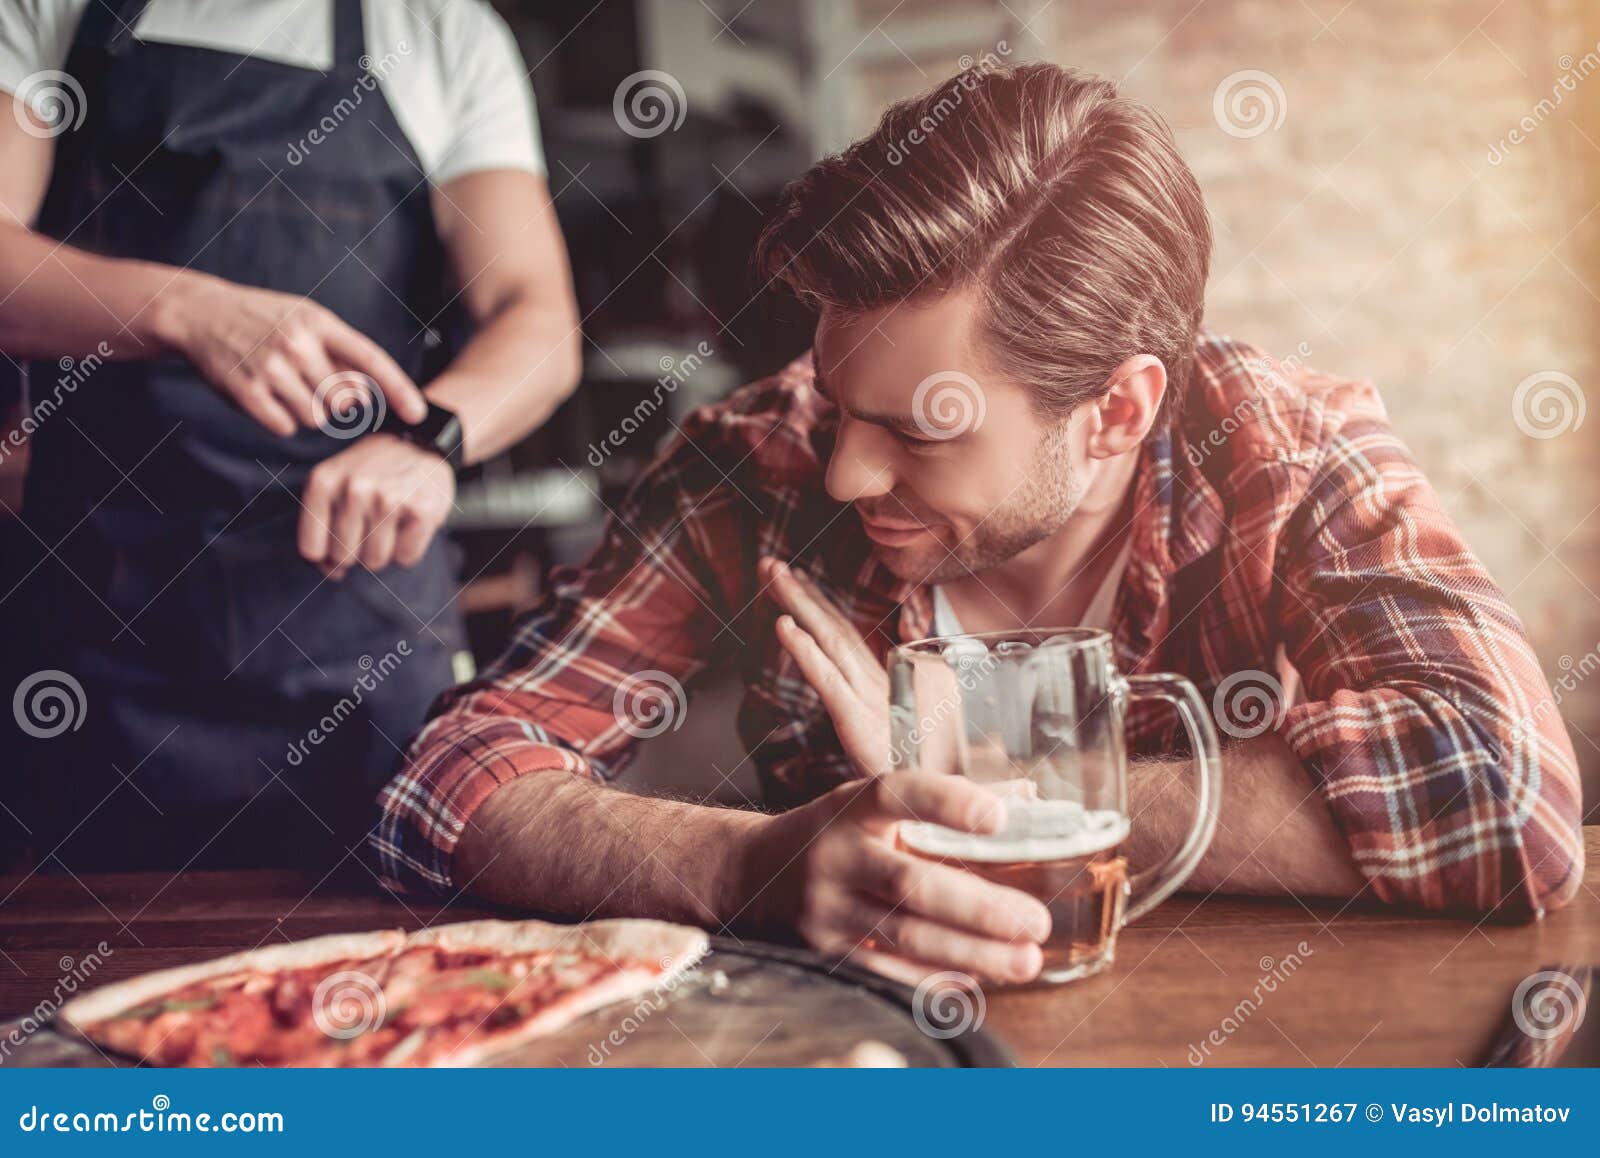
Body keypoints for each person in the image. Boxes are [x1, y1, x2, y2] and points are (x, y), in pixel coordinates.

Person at [372, 64, 1583, 988]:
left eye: (918, 429)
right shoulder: (756, 460)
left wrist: (979, 774)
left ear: (1116, 409)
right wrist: (752, 865)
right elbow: (443, 784)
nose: (844, 471)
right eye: (841, 398)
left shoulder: (1286, 453)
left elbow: (1505, 792)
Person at [0, 0, 580, 868]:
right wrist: (184, 309)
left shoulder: (443, 31)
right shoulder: (49, 10)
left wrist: (432, 442)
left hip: (360, 632)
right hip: (94, 631)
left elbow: (537, 322)